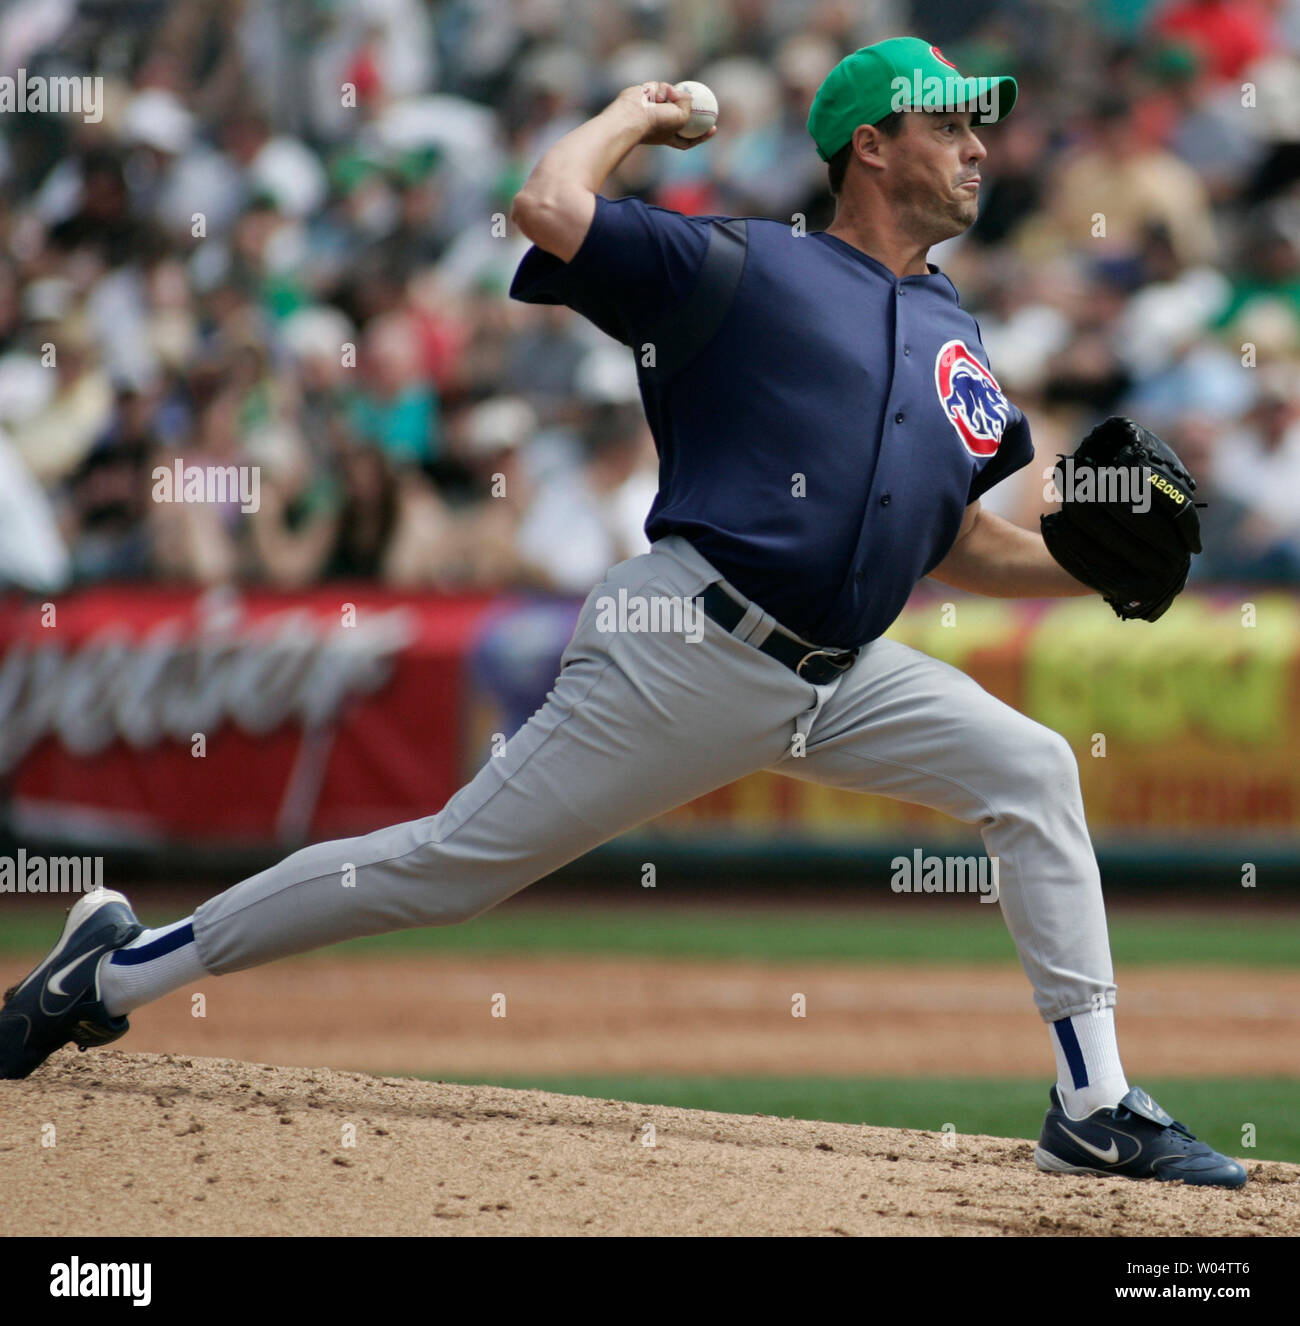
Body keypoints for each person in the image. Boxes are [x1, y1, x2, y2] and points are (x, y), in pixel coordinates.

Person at [0, 38, 1246, 1189]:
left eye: (981, 128)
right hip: (685, 649)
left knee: (1029, 768)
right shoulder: (742, 266)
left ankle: (1093, 1104)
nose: (982, 147)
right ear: (872, 143)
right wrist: (637, 113)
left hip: (845, 674)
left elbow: (966, 540)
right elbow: (546, 207)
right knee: (445, 872)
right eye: (952, 124)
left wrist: (1094, 568)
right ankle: (114, 966)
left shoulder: (953, 331)